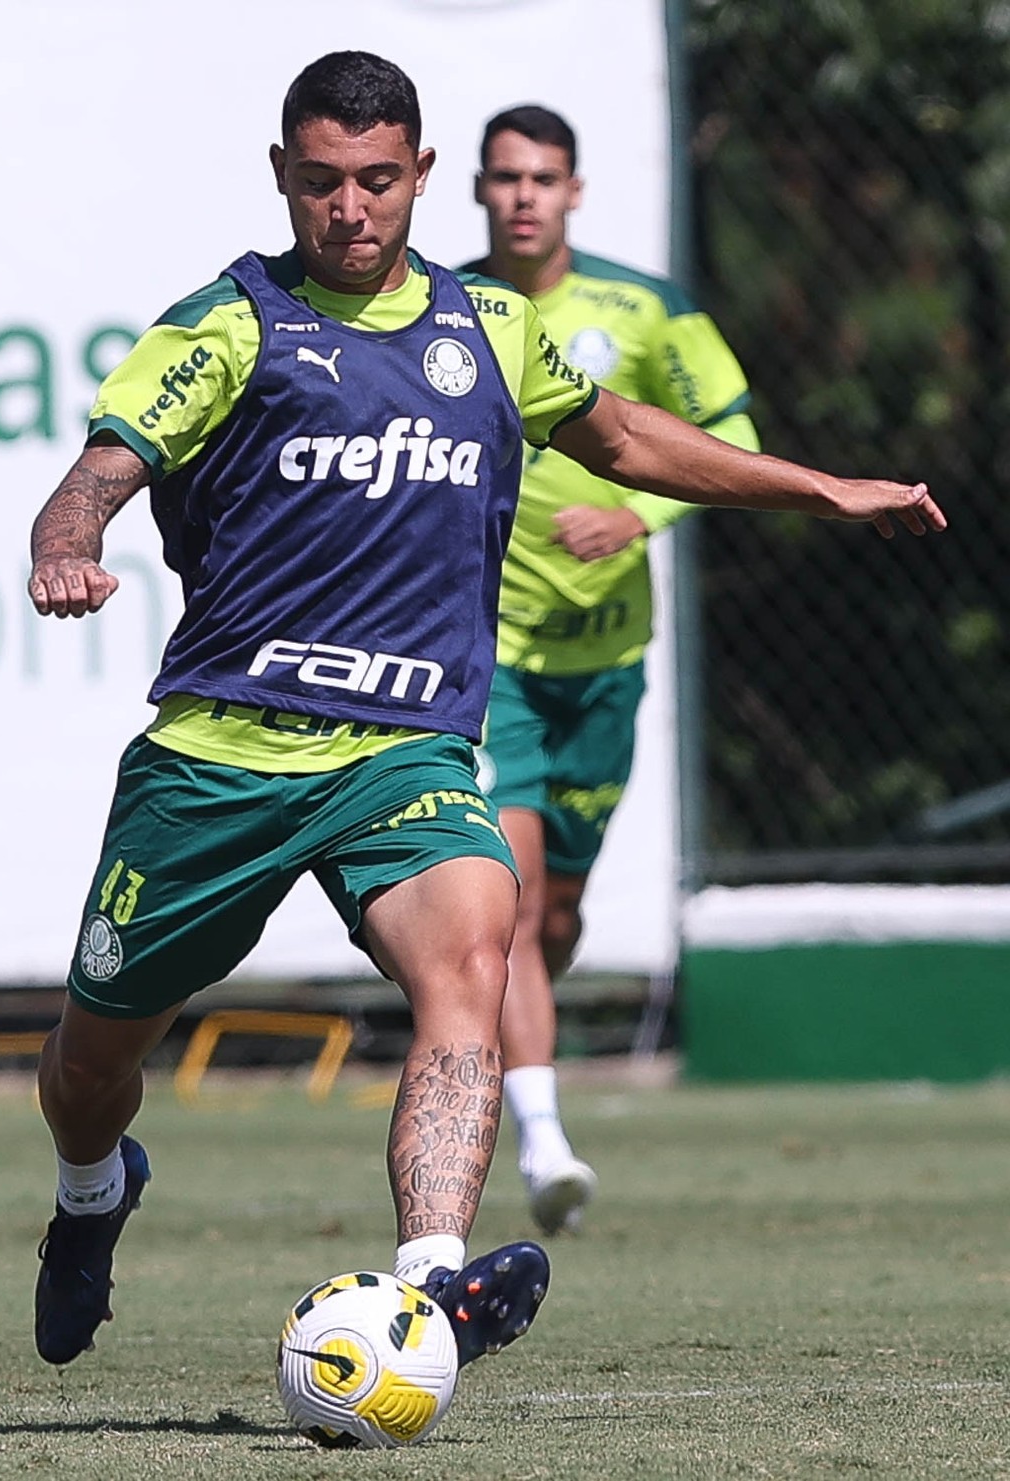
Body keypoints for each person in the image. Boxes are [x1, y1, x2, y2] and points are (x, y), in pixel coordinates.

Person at [26, 50, 943, 1381]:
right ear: (283, 176)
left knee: (472, 959)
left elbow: (628, 439)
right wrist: (66, 546)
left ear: (423, 177)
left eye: (379, 181)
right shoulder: (229, 327)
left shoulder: (491, 334)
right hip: (221, 751)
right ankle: (92, 1193)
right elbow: (95, 476)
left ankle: (430, 1289)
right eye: (325, 182)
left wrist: (822, 489)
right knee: (89, 1061)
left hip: (406, 751)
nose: (351, 208)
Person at [462, 105, 761, 1235]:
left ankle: (532, 1071)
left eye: (544, 177)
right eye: (505, 178)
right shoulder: (450, 312)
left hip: (607, 665)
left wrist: (636, 515)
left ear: (575, 192)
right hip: (489, 661)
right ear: (478, 192)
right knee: (516, 901)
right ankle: (543, 1139)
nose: (524, 196)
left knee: (559, 913)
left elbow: (725, 424)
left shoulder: (645, 309)